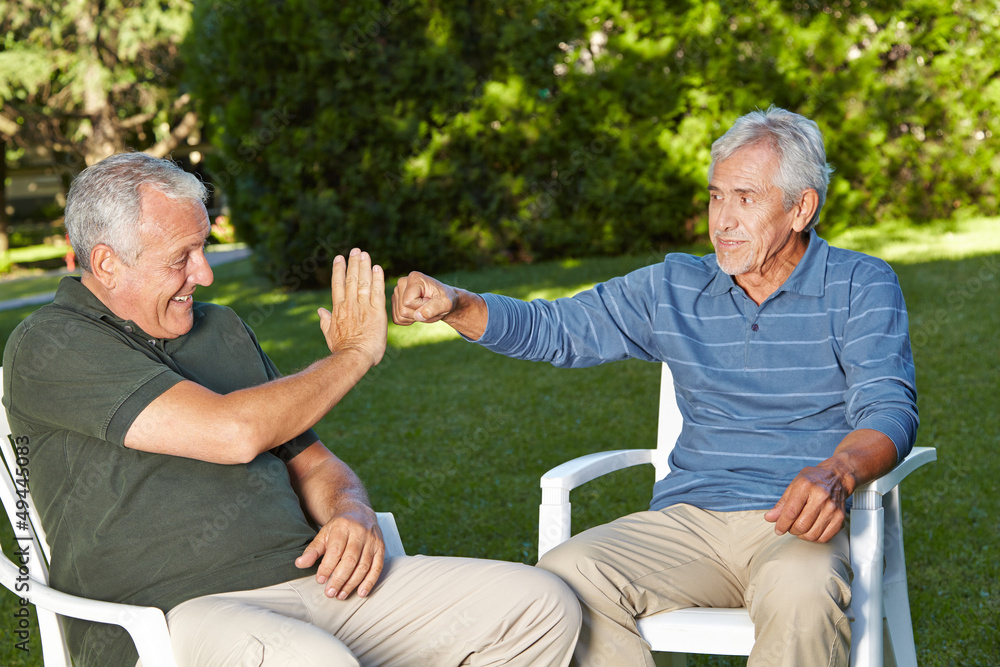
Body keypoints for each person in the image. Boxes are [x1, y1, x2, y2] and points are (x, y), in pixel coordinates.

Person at [2, 151, 581, 667]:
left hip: (316, 582)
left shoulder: (221, 328)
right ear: (106, 264)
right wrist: (354, 355)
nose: (204, 274)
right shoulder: (51, 343)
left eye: (203, 249)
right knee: (313, 661)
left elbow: (315, 463)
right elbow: (233, 433)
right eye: (182, 257)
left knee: (539, 606)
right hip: (174, 615)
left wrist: (351, 510)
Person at [392, 106, 919, 667]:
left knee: (801, 593)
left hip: (800, 523)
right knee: (565, 580)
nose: (723, 220)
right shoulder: (674, 286)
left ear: (801, 208)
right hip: (690, 523)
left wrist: (838, 470)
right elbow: (560, 329)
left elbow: (888, 409)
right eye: (716, 196)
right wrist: (458, 304)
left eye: (745, 198)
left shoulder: (860, 284)